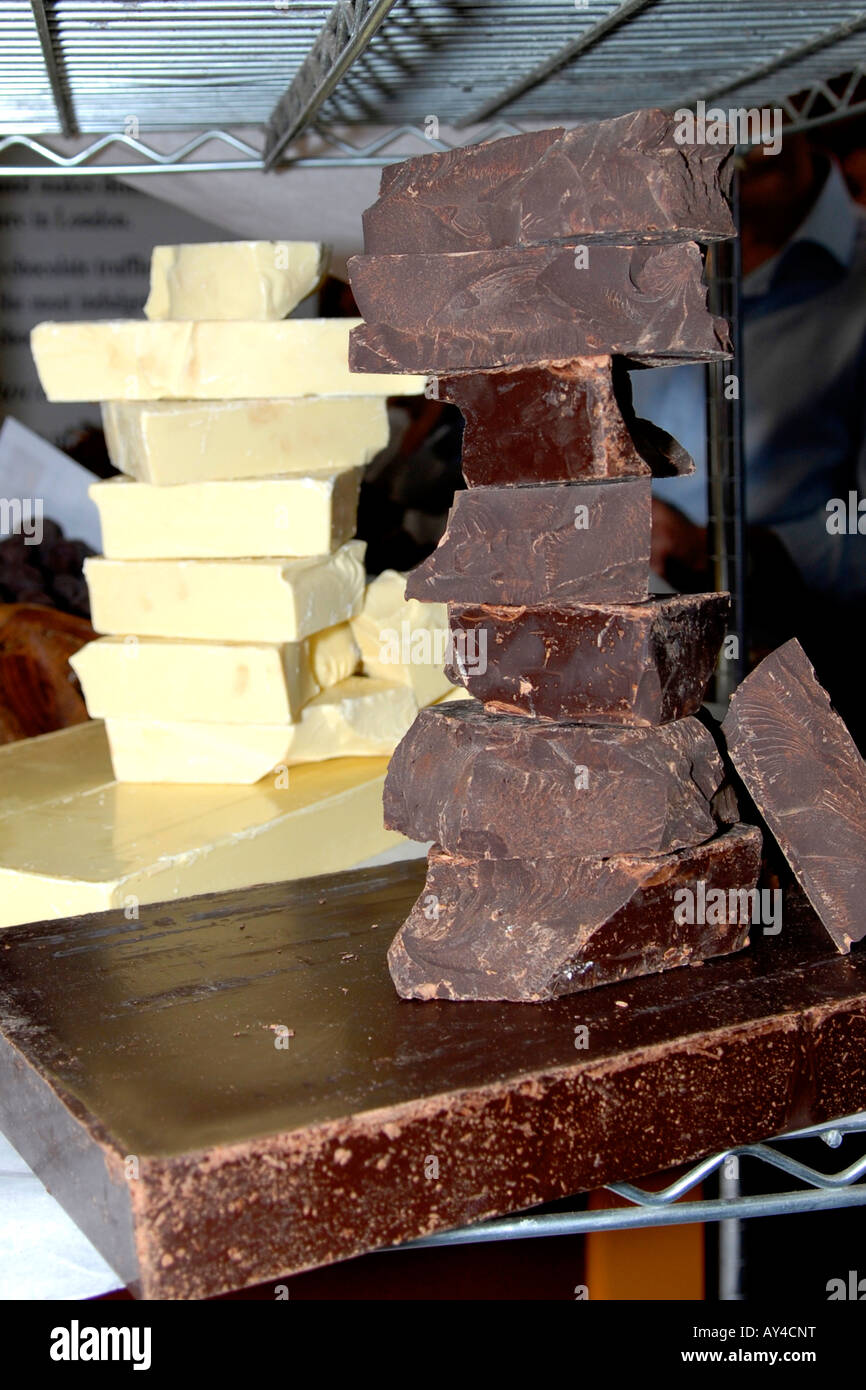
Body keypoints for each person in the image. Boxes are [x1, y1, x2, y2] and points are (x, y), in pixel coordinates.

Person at [632, 132, 866, 740]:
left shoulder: (857, 284)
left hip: (798, 661)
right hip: (638, 641)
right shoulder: (648, 259)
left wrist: (713, 551)